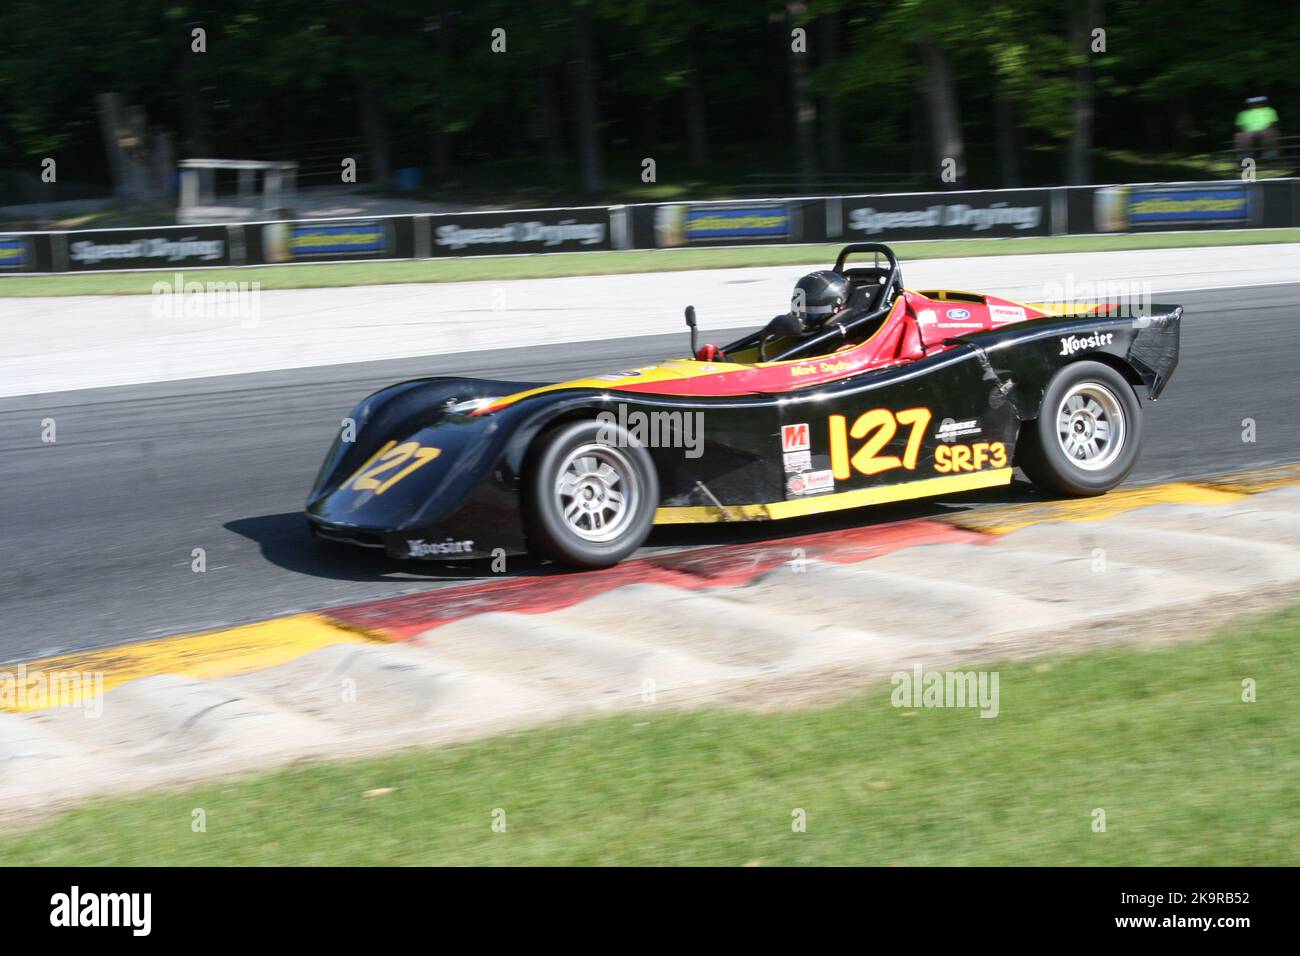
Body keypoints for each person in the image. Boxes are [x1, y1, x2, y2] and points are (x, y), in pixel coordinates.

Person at [1235, 96, 1279, 162]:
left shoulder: (1270, 110)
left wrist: (1265, 129)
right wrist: (1246, 131)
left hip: (1265, 130)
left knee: (1270, 132)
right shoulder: (1243, 113)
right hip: (1249, 132)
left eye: (1258, 103)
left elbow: (1272, 122)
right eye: (1253, 103)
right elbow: (1240, 125)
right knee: (1240, 135)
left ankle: (1270, 155)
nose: (1256, 104)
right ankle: (1245, 157)